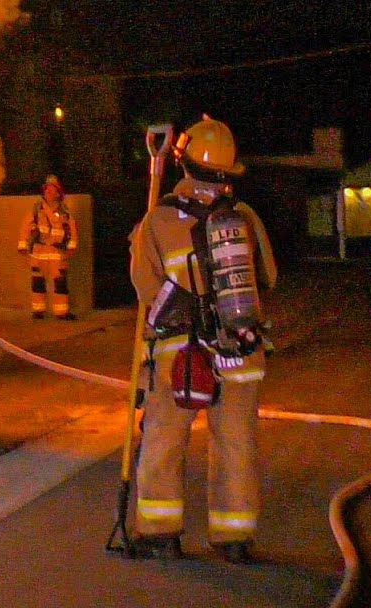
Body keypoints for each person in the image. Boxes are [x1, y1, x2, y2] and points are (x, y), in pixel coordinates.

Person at [126, 117, 277, 563]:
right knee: (236, 442)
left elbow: (143, 286)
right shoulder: (245, 219)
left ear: (183, 163)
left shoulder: (156, 221)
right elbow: (268, 276)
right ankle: (234, 538)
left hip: (180, 356)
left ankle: (159, 534)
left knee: (164, 440)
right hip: (240, 351)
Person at [17, 175, 79, 320]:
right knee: (37, 283)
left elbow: (72, 231)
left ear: (58, 193)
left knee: (60, 284)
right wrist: (22, 245)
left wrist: (71, 247)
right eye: (47, 191)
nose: (49, 194)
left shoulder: (65, 213)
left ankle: (61, 312)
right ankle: (38, 311)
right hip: (39, 252)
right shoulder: (37, 210)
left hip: (57, 254)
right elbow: (25, 227)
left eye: (52, 191)